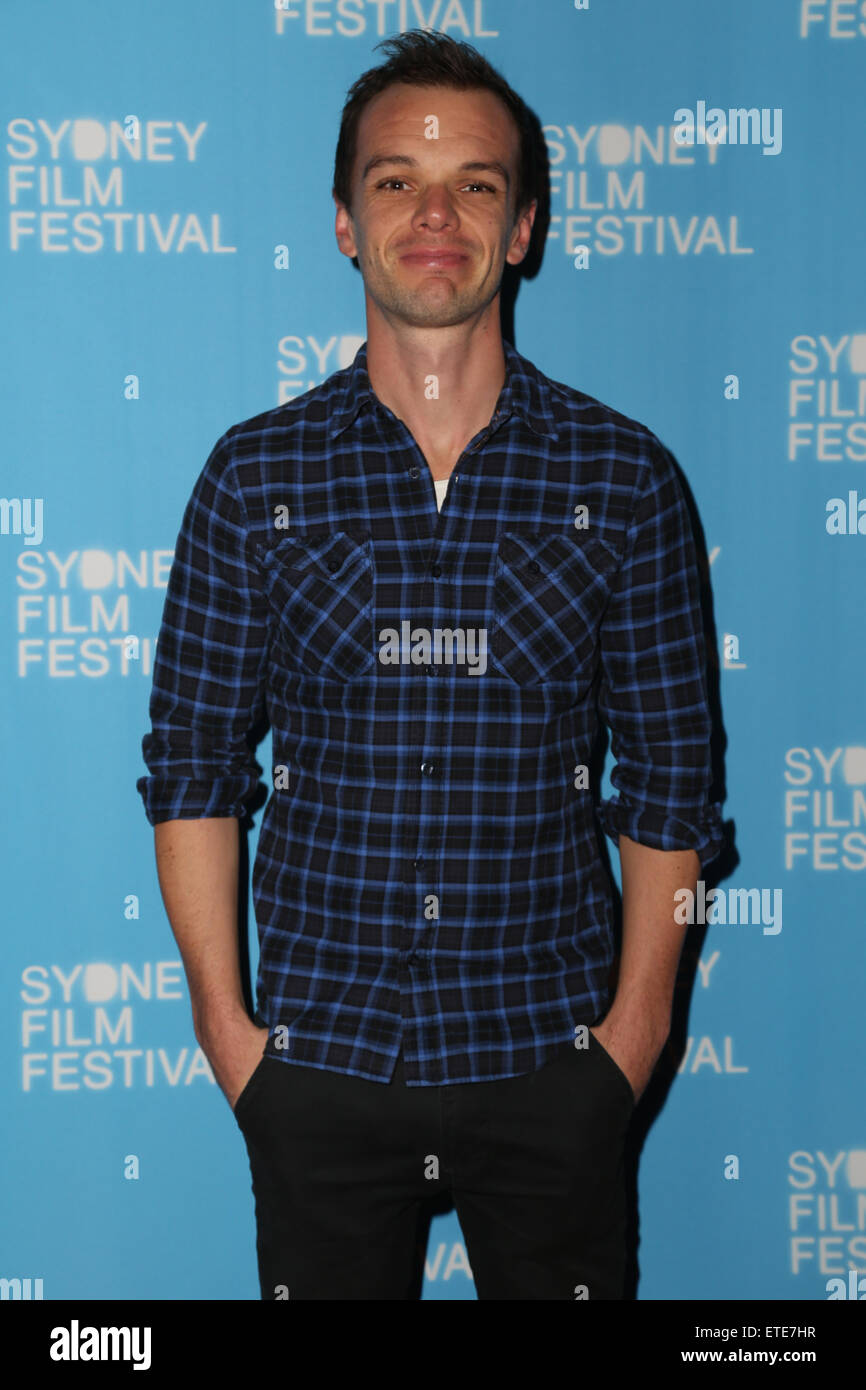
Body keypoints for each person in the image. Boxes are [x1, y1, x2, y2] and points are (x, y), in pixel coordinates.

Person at [137, 29, 723, 1301]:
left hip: (552, 1058)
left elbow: (673, 785)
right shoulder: (254, 478)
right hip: (319, 1060)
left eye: (474, 184)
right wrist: (228, 1034)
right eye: (395, 179)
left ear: (520, 230)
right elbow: (193, 770)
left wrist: (636, 1030)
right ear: (345, 223)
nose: (434, 213)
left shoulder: (623, 480)